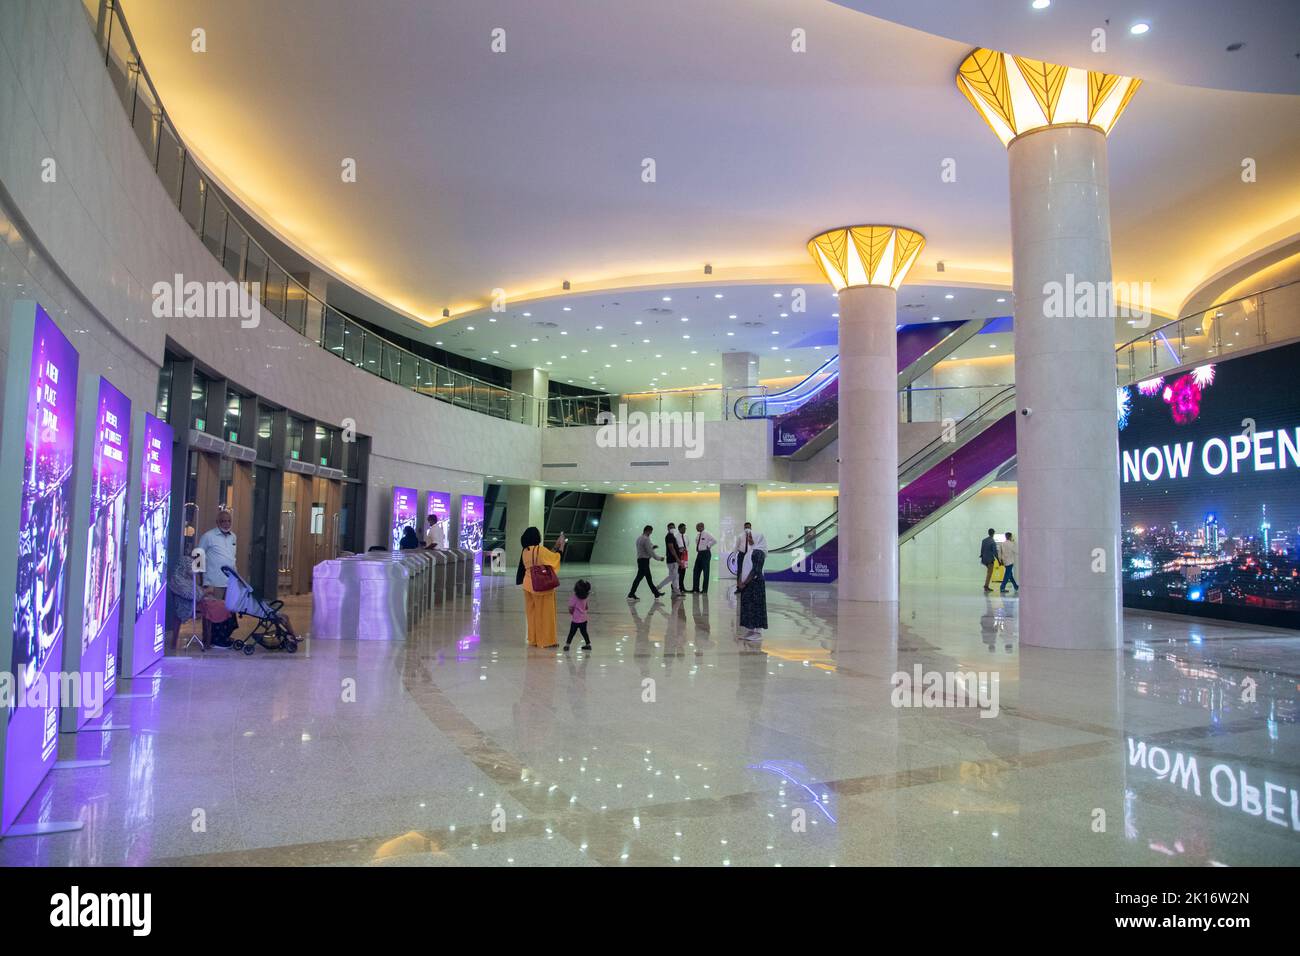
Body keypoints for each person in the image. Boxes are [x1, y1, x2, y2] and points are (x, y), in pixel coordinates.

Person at [519, 525, 565, 648]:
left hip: (527, 585)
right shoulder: (540, 550)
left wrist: (555, 546)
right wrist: (561, 546)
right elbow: (554, 558)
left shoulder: (525, 551)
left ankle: (533, 639)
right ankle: (546, 641)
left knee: (532, 614)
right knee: (545, 614)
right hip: (541, 586)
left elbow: (545, 556)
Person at [737, 529, 768, 640]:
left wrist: (744, 582)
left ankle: (758, 633)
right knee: (748, 607)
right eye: (748, 537)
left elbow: (755, 570)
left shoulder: (759, 552)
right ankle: (751, 630)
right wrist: (740, 581)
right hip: (748, 584)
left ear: (757, 539)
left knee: (756, 607)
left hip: (755, 584)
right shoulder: (751, 551)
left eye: (750, 537)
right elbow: (743, 567)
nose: (748, 539)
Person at [628, 525, 664, 600]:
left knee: (648, 578)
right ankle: (631, 593)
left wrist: (652, 547)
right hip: (644, 561)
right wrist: (659, 558)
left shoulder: (639, 538)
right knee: (639, 578)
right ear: (647, 530)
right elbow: (650, 552)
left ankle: (656, 593)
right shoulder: (646, 539)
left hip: (640, 560)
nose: (651, 533)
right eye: (650, 532)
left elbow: (644, 548)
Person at [564, 579, 592, 652]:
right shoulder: (585, 597)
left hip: (576, 620)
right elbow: (586, 607)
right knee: (584, 632)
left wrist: (572, 613)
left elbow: (571, 608)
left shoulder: (574, 597)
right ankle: (588, 644)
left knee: (572, 633)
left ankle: (567, 645)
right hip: (584, 619)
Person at [657, 523, 682, 596]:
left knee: (675, 576)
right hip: (672, 560)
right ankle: (658, 587)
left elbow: (674, 547)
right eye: (670, 527)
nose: (672, 529)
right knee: (673, 576)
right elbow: (671, 548)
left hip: (672, 559)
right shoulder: (669, 536)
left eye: (673, 527)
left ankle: (677, 591)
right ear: (667, 528)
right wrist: (677, 558)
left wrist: (679, 549)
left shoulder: (672, 536)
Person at [690, 522, 716, 593]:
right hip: (699, 554)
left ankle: (704, 590)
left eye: (697, 527)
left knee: (706, 572)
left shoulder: (707, 533)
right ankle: (695, 588)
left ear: (702, 527)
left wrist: (708, 545)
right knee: (696, 570)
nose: (696, 528)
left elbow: (714, 540)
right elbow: (697, 542)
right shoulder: (698, 535)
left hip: (706, 554)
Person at [734, 521, 754, 594]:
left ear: (751, 528)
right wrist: (734, 556)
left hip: (749, 555)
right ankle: (739, 587)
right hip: (741, 554)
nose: (747, 529)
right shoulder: (740, 536)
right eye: (746, 527)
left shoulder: (754, 536)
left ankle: (749, 587)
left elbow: (755, 545)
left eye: (748, 527)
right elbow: (736, 546)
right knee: (740, 571)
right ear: (744, 528)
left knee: (750, 571)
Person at [980, 528, 999, 593]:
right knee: (989, 573)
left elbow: (982, 550)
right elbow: (995, 552)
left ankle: (986, 585)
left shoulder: (984, 540)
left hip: (984, 559)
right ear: (993, 533)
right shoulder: (992, 541)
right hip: (990, 559)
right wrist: (999, 560)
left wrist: (982, 556)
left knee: (988, 572)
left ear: (988, 533)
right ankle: (986, 586)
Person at [675, 522, 690, 593]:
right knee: (678, 571)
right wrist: (679, 549)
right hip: (679, 555)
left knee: (683, 571)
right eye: (683, 528)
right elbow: (674, 546)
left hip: (685, 555)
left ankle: (682, 586)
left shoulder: (686, 536)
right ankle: (676, 586)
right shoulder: (676, 536)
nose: (684, 530)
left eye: (685, 528)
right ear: (679, 529)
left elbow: (687, 544)